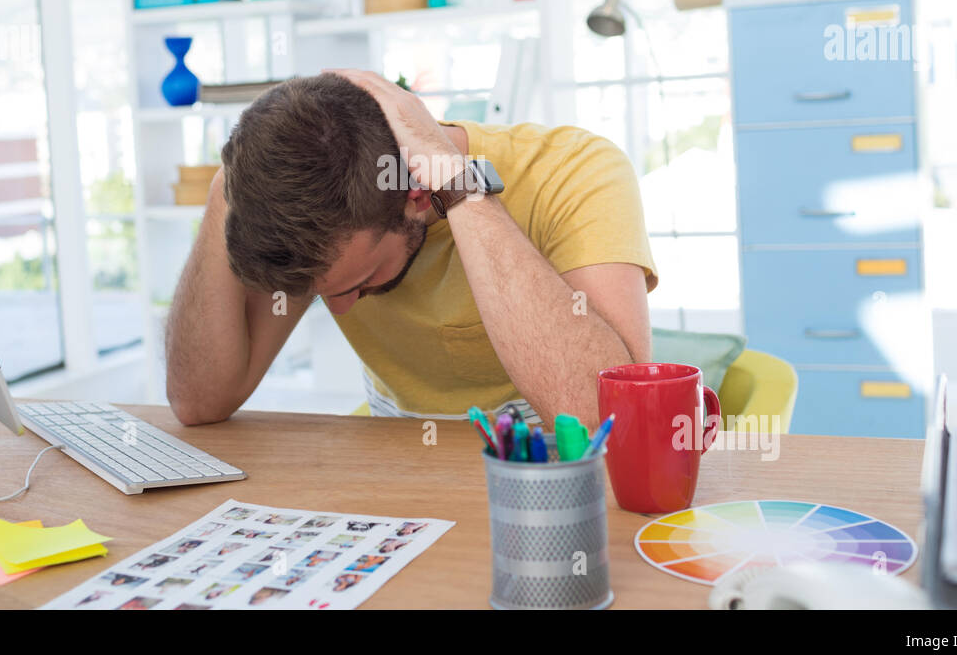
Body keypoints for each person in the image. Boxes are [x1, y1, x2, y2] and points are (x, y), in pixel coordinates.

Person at [166, 70, 657, 429]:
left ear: (417, 196)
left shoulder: (577, 169)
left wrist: (459, 185)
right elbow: (198, 403)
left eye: (361, 283)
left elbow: (612, 420)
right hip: (398, 467)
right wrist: (230, 184)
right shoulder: (322, 224)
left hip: (550, 474)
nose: (338, 308)